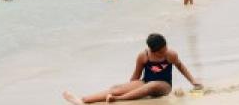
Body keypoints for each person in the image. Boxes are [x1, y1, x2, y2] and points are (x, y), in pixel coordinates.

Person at [62, 33, 202, 103]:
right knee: (116, 87)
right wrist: (128, 86)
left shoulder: (170, 54)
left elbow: (181, 67)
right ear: (152, 51)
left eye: (165, 47)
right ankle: (83, 100)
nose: (165, 51)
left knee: (151, 85)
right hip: (145, 81)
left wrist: (193, 81)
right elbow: (135, 77)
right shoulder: (144, 56)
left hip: (164, 86)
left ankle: (117, 99)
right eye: (161, 50)